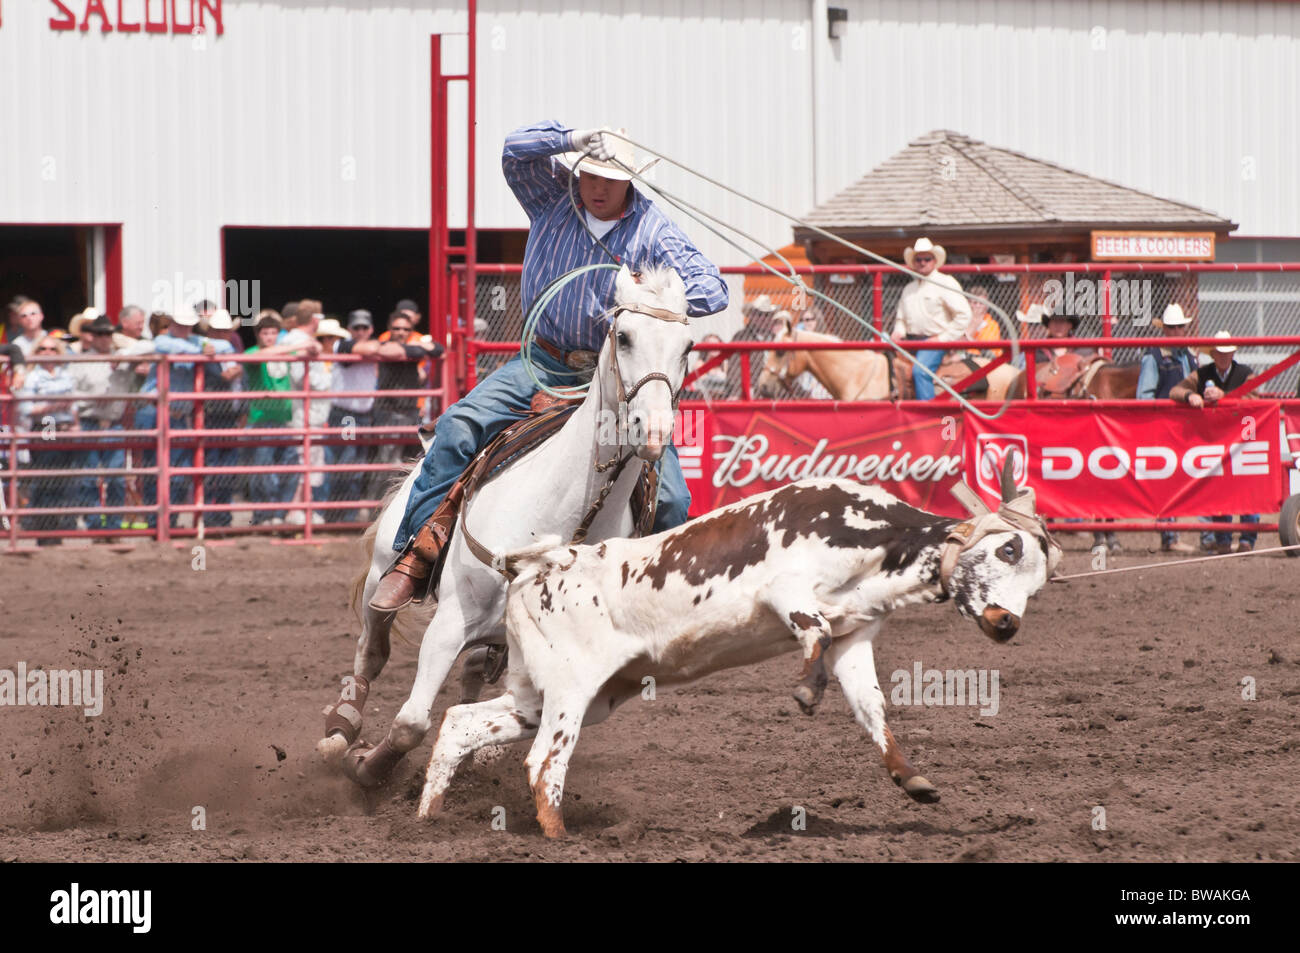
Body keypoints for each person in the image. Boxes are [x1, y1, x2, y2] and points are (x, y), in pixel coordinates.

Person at [370, 120, 728, 611]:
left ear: (630, 181)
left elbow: (713, 290)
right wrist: (571, 137)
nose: (598, 188)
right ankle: (417, 555)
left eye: (611, 178)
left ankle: (658, 603)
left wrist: (653, 289)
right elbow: (516, 151)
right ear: (578, 171)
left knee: (671, 500)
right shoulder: (553, 198)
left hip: (614, 378)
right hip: (542, 360)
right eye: (591, 175)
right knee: (458, 428)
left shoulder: (653, 231)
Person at [135, 307, 239, 528]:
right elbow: (163, 346)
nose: (184, 328)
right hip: (155, 410)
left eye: (187, 325)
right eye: (180, 324)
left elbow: (224, 346)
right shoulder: (170, 342)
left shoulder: (196, 343)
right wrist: (202, 351)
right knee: (156, 468)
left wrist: (226, 360)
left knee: (178, 471)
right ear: (173, 323)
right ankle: (158, 522)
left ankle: (167, 521)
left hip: (178, 414)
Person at [1170, 330, 1260, 554]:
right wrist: (1190, 396)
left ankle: (1247, 537)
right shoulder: (1201, 374)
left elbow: (1255, 398)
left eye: (1226, 353)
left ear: (1233, 354)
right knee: (1220, 487)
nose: (1223, 357)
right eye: (1219, 353)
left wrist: (1225, 396)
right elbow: (1176, 390)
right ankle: (1223, 536)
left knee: (1245, 485)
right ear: (1213, 354)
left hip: (1240, 439)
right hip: (1216, 441)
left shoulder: (1245, 374)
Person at [1138, 303, 1197, 553]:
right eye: (1171, 328)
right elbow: (1144, 396)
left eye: (1179, 327)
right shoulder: (1154, 357)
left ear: (1184, 328)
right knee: (1168, 479)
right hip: (1164, 425)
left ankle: (1174, 534)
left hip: (1184, 425)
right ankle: (1170, 536)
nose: (1175, 331)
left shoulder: (1189, 356)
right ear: (1165, 329)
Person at [244, 315, 308, 524]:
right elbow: (257, 356)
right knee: (263, 470)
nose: (270, 337)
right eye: (265, 333)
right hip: (261, 420)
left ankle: (279, 514)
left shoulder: (283, 352)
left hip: (284, 419)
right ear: (258, 335)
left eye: (273, 333)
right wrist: (298, 346)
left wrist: (310, 346)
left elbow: (311, 350)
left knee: (291, 468)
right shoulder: (253, 353)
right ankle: (264, 515)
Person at [70, 315, 132, 531]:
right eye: (100, 334)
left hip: (113, 423)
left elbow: (149, 346)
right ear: (92, 336)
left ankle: (113, 526)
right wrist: (91, 398)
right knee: (88, 478)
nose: (104, 338)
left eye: (108, 334)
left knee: (116, 478)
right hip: (90, 420)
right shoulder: (81, 361)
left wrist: (123, 348)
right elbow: (70, 392)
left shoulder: (123, 358)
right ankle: (95, 525)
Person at [892, 238, 972, 399]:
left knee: (921, 371)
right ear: (913, 262)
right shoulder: (909, 288)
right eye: (918, 259)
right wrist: (898, 332)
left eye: (926, 259)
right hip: (911, 340)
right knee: (886, 366)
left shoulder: (945, 282)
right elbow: (901, 319)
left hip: (935, 341)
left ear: (934, 261)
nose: (922, 263)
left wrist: (941, 338)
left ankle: (927, 415)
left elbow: (964, 314)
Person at [18, 335, 77, 544]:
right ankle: (46, 531)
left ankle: (54, 528)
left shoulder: (65, 375)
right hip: (48, 423)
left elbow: (73, 404)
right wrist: (52, 407)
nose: (47, 352)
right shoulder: (33, 377)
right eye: (42, 348)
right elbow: (26, 408)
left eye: (52, 349)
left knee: (62, 479)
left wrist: (75, 424)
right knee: (47, 477)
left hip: (64, 425)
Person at [325, 311, 380, 522]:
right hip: (346, 415)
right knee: (346, 463)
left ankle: (346, 514)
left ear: (371, 329)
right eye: (356, 328)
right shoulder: (342, 345)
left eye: (364, 328)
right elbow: (370, 348)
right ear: (349, 329)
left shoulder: (369, 345)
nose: (360, 332)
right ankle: (339, 515)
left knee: (357, 465)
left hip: (363, 414)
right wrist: (377, 348)